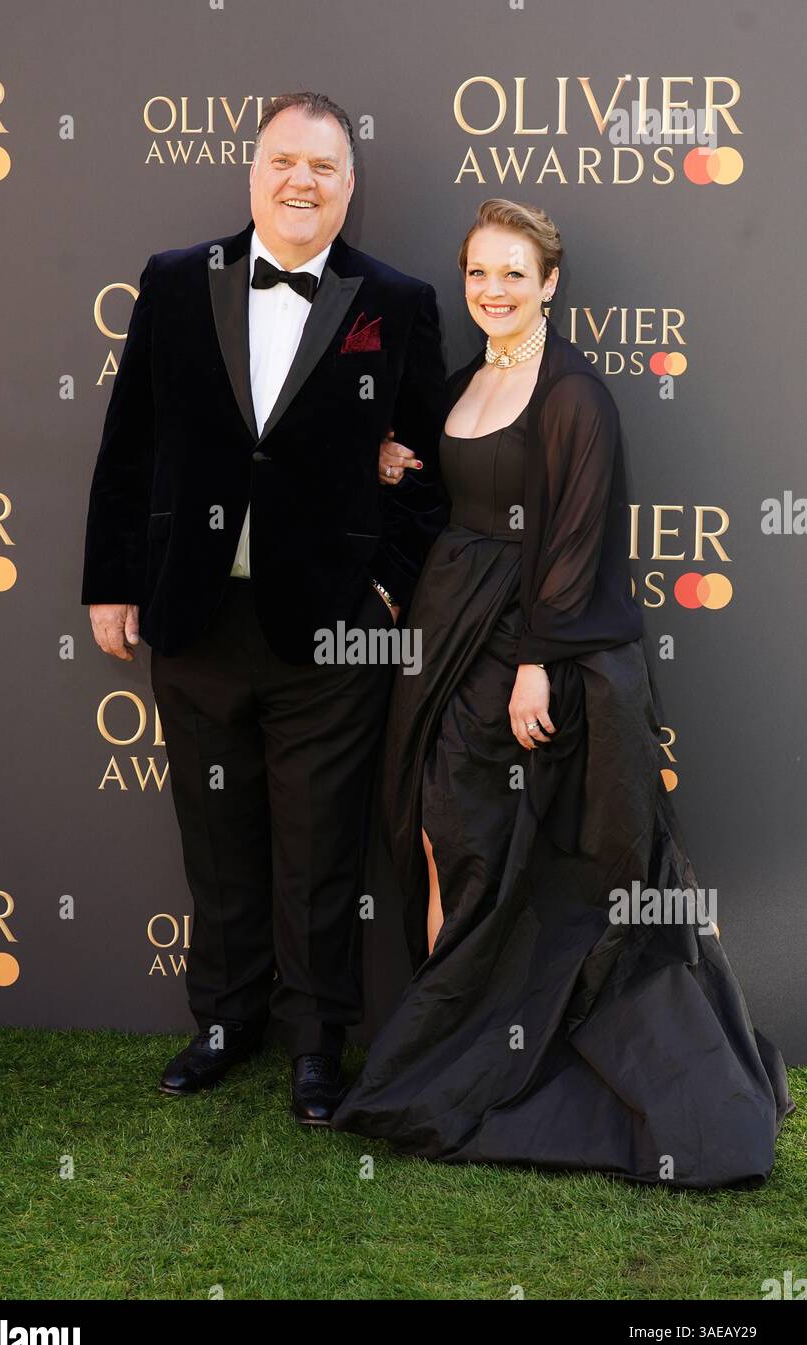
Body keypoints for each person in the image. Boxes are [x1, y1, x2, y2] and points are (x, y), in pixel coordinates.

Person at [334, 198, 795, 1188]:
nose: (490, 290)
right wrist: (392, 463)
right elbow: (447, 495)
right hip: (440, 635)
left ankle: (472, 1058)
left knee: (471, 833)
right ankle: (435, 1039)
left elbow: (577, 538)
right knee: (424, 828)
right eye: (476, 274)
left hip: (520, 641)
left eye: (511, 273)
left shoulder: (573, 394)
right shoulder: (464, 383)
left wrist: (537, 661)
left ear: (548, 283)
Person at [81, 92, 448, 1125]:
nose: (301, 181)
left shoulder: (398, 301)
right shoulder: (171, 281)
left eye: (322, 167)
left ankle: (315, 1044)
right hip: (194, 614)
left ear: (348, 186)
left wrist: (386, 588)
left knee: (320, 845)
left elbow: (427, 470)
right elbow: (129, 443)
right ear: (252, 171)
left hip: (329, 627)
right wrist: (112, 581)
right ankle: (222, 1021)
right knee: (216, 838)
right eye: (283, 161)